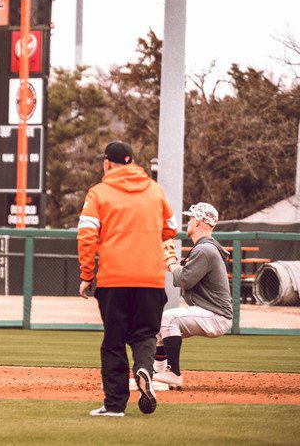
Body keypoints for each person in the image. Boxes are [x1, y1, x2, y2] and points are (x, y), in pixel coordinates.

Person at [78, 141, 178, 417]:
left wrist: (87, 274)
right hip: (151, 277)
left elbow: (86, 236)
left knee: (114, 341)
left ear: (108, 163)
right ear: (132, 162)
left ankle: (114, 406)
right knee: (145, 333)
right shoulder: (154, 191)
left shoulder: (99, 193)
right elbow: (172, 228)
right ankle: (144, 369)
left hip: (115, 278)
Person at [154, 202, 233, 389]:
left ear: (198, 222)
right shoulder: (205, 247)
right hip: (210, 312)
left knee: (168, 319)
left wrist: (172, 263)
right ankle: (158, 373)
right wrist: (174, 266)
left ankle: (173, 374)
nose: (188, 221)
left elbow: (185, 280)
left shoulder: (204, 249)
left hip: (216, 315)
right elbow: (187, 276)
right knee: (159, 325)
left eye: (190, 218)